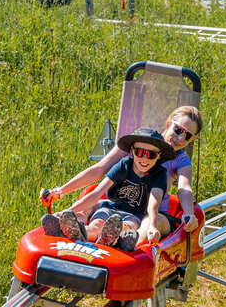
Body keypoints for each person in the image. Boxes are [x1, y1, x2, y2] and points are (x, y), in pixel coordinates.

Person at [40, 105, 202, 239]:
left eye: (188, 136)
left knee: (148, 221)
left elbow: (184, 187)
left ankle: (127, 243)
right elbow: (99, 170)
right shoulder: (140, 142)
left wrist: (188, 214)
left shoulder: (180, 161)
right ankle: (71, 229)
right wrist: (60, 192)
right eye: (178, 130)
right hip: (118, 205)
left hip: (149, 214)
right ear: (169, 123)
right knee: (91, 204)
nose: (180, 138)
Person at [42, 127, 170, 251]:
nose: (144, 159)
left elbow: (154, 202)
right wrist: (68, 211)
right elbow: (97, 193)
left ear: (158, 156)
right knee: (97, 224)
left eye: (151, 155)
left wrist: (152, 225)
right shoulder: (124, 165)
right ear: (132, 151)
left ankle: (114, 240)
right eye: (140, 152)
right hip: (109, 207)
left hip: (134, 214)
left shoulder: (159, 173)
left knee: (126, 228)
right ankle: (75, 232)